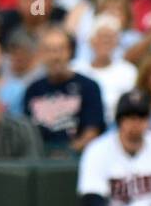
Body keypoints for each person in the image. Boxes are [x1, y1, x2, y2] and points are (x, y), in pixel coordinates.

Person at [22, 26, 105, 155]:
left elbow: (92, 132)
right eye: (49, 50)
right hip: (41, 161)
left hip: (78, 159)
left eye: (61, 49)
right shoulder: (33, 90)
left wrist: (67, 153)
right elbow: (27, 133)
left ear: (70, 52)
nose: (55, 56)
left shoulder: (89, 87)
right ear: (41, 54)